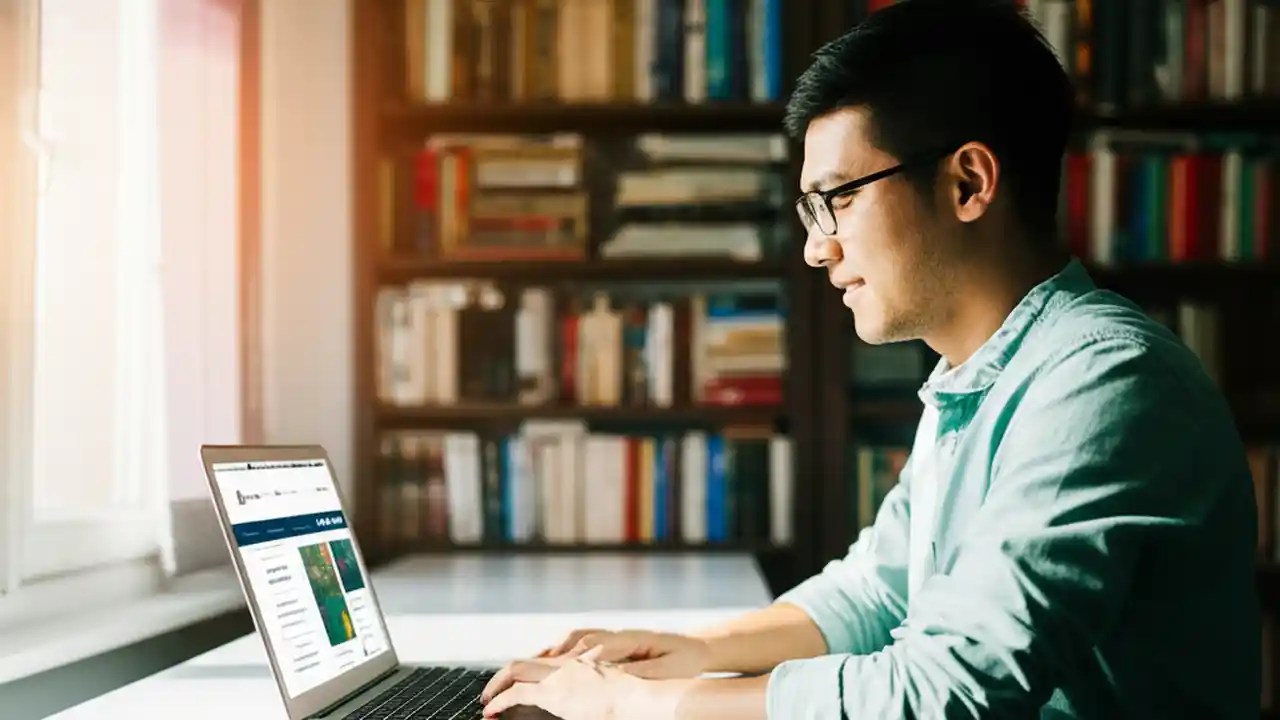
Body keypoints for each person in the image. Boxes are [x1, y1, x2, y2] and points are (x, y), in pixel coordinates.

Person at [479, 0, 1261, 717]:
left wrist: (633, 707)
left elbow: (941, 689)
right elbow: (878, 591)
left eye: (839, 199)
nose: (819, 250)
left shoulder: (1104, 381)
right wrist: (691, 652)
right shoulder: (980, 376)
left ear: (967, 182)